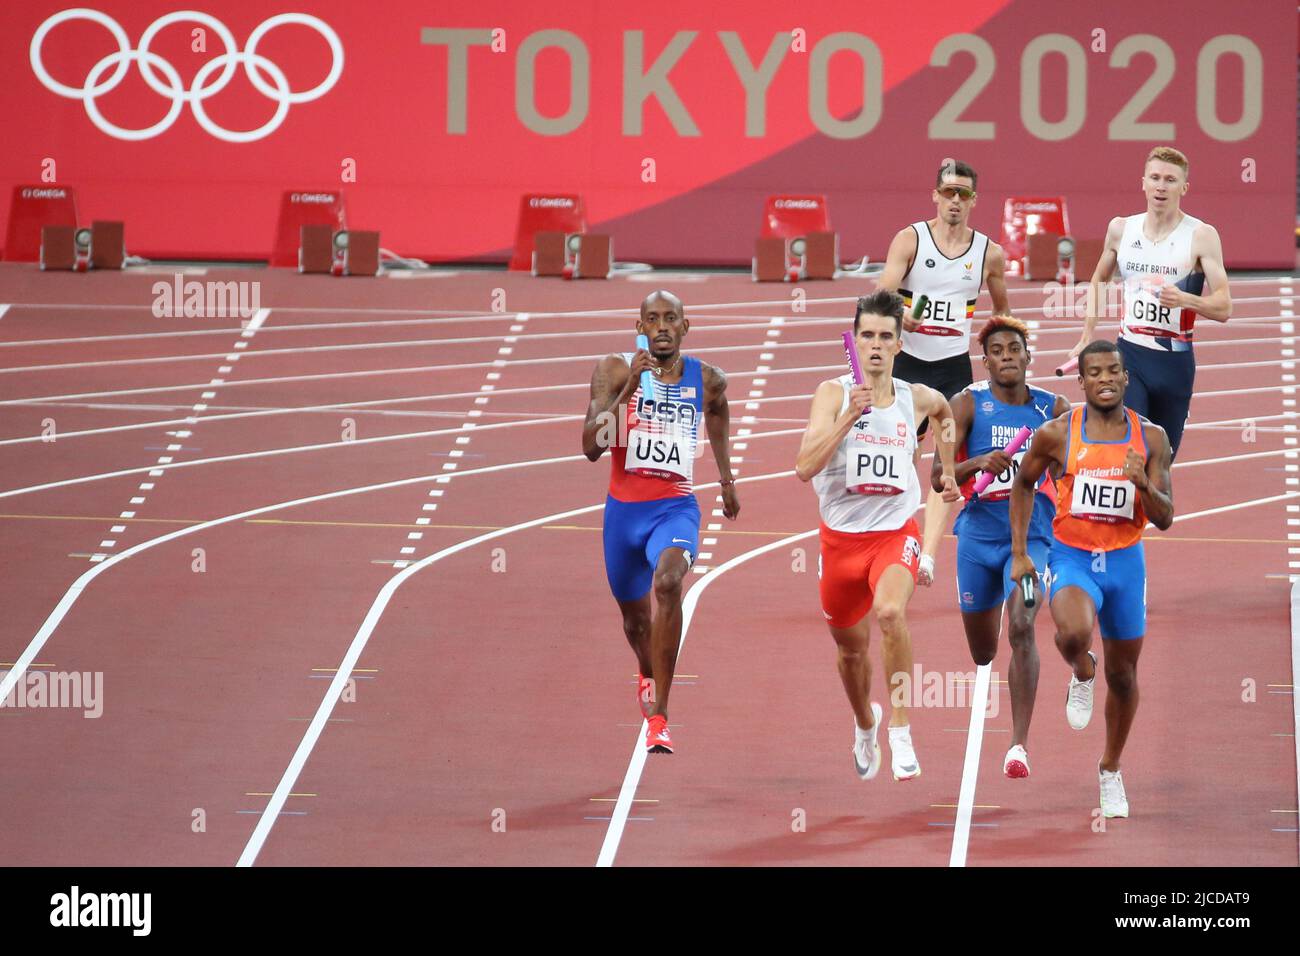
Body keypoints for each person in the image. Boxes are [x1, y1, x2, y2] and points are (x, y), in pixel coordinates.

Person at [795, 289, 960, 782]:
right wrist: (849, 418)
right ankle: (866, 721)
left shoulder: (917, 399)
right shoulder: (832, 394)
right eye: (866, 335)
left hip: (893, 535)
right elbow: (804, 468)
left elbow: (947, 414)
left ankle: (902, 727)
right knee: (850, 651)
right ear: (855, 338)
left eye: (885, 337)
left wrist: (946, 469)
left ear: (898, 344)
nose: (874, 345)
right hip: (840, 544)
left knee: (890, 613)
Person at [1009, 340, 1174, 818]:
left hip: (1125, 563)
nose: (1105, 379)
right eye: (1094, 372)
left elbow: (1165, 517)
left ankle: (1110, 769)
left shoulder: (1153, 439)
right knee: (1074, 633)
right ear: (1081, 382)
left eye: (1113, 371)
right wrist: (1020, 553)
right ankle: (1082, 668)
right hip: (1073, 557)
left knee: (1124, 676)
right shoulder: (1057, 434)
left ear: (1126, 378)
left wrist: (1144, 485)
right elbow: (1023, 483)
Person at [582, 290, 740, 754]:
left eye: (672, 318)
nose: (663, 326)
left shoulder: (706, 378)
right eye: (653, 319)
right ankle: (647, 674)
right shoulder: (612, 371)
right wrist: (629, 389)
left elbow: (719, 409)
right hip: (623, 517)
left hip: (675, 508)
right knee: (636, 625)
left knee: (669, 582)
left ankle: (661, 715)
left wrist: (726, 478)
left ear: (686, 327)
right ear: (641, 327)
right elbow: (591, 447)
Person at [933, 317, 1070, 779]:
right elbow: (938, 475)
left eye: (1016, 348)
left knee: (1022, 625)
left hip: (1032, 542)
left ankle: (1017, 746)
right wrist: (976, 462)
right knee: (983, 651)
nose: (1008, 355)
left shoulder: (1055, 409)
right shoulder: (967, 405)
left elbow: (1076, 469)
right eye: (998, 350)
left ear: (1029, 357)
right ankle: (989, 648)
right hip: (976, 539)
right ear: (986, 360)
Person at [876, 159, 1014, 587]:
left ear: (974, 200)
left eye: (964, 194)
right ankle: (882, 537)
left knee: (946, 466)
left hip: (954, 369)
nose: (956, 201)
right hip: (908, 365)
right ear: (935, 195)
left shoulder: (989, 254)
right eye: (948, 192)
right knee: (896, 456)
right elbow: (881, 294)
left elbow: (1002, 310)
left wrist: (997, 342)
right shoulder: (910, 239)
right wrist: (902, 314)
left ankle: (927, 557)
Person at [1069, 146, 1232, 459]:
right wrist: (1087, 335)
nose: (1161, 186)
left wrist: (1185, 298)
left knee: (1160, 464)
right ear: (1142, 182)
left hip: (1175, 364)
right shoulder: (1121, 229)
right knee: (1129, 453)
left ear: (1183, 188)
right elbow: (1098, 280)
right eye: (1155, 178)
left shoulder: (1201, 236)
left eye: (1170, 180)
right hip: (1129, 357)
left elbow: (1224, 306)